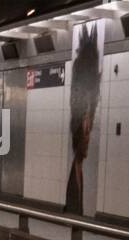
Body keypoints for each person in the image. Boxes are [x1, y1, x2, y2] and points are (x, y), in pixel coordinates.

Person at [65, 24, 102, 216]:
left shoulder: (78, 64)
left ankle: (75, 204)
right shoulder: (88, 63)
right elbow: (88, 91)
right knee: (79, 159)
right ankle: (76, 205)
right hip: (82, 118)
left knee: (78, 160)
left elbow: (77, 92)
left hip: (77, 118)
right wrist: (87, 118)